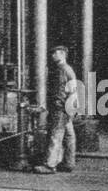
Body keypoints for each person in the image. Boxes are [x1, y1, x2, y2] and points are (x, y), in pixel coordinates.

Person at [33, 46, 77, 174]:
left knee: (55, 135)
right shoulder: (69, 69)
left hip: (60, 107)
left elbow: (60, 91)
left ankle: (50, 165)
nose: (52, 55)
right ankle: (69, 163)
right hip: (66, 107)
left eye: (55, 53)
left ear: (62, 54)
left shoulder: (62, 70)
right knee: (69, 135)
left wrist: (59, 105)